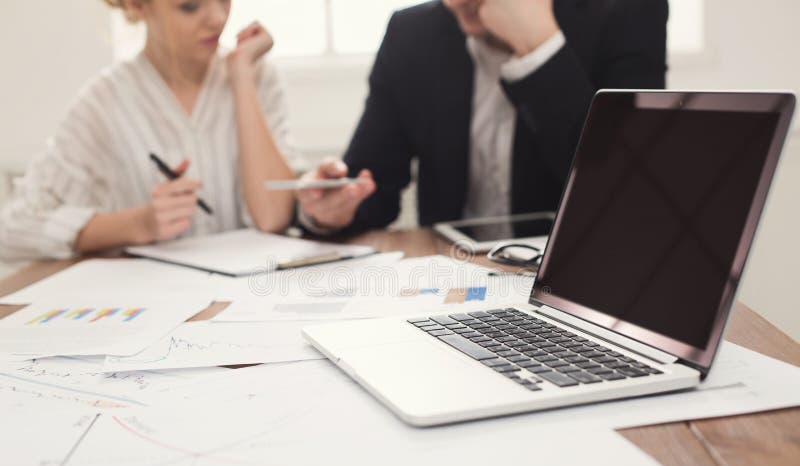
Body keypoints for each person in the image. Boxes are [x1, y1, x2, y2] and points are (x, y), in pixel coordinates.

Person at [297, 0, 668, 234]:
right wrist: (330, 211)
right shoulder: (412, 33)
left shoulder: (628, 12)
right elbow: (370, 188)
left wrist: (540, 46)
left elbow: (627, 197)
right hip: (449, 282)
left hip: (576, 286)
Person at [0, 0, 305, 260]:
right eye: (190, 6)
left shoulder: (256, 74)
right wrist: (139, 224)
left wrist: (241, 77)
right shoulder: (103, 103)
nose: (218, 18)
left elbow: (273, 216)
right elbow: (13, 228)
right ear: (137, 6)